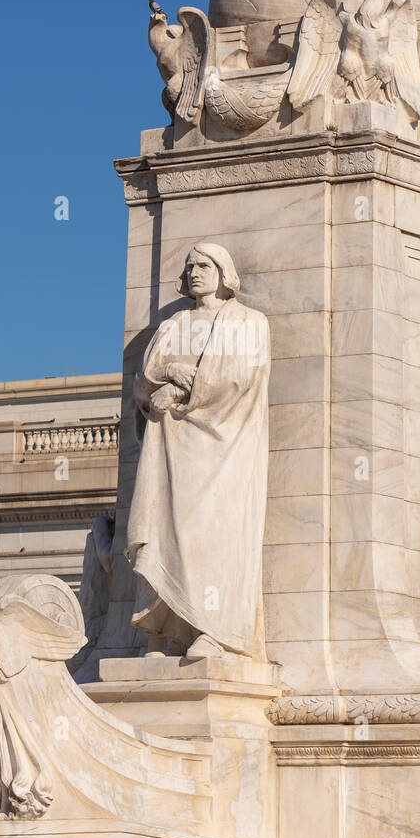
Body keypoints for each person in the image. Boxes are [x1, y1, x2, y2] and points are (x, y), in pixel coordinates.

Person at [126, 243, 270, 659]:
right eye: (189, 266)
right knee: (165, 533)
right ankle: (168, 632)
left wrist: (181, 394)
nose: (194, 272)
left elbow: (242, 379)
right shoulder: (173, 324)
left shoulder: (249, 322)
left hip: (224, 447)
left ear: (225, 272)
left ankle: (216, 628)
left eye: (204, 265)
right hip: (169, 450)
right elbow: (142, 384)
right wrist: (165, 375)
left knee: (215, 534)